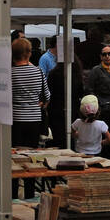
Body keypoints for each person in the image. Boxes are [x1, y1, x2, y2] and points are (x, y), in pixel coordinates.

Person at [11, 36, 49, 197]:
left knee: (13, 159)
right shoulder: (38, 72)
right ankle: (29, 192)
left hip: (15, 119)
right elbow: (46, 95)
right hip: (34, 119)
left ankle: (12, 192)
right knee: (31, 158)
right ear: (29, 53)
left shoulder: (9, 73)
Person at [47, 54, 84, 149]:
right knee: (70, 137)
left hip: (56, 110)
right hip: (73, 109)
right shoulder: (77, 74)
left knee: (58, 138)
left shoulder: (53, 74)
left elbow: (49, 93)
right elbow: (81, 92)